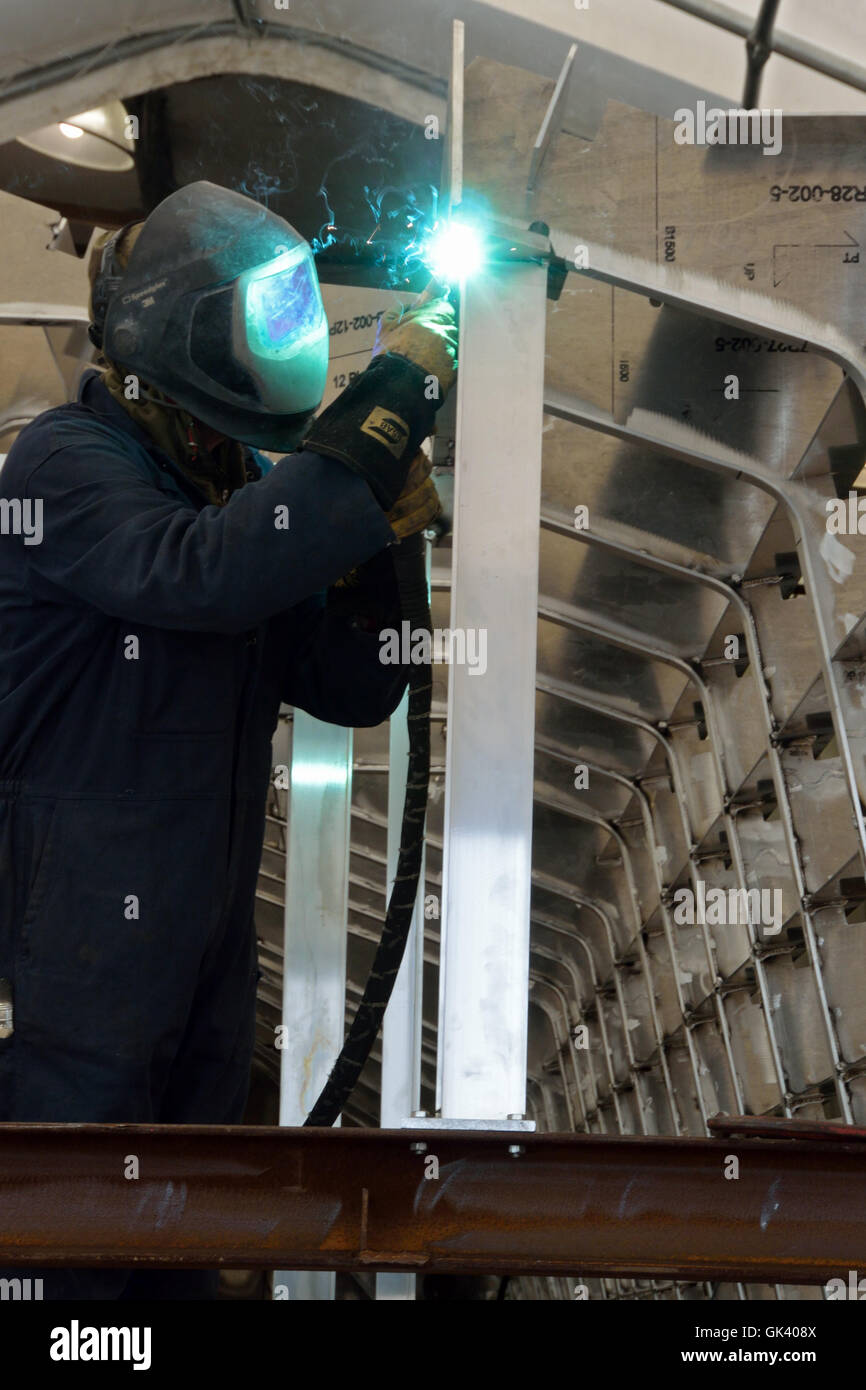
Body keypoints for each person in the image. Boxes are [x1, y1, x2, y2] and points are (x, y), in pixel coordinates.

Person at [0, 180, 457, 1299]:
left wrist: (377, 549)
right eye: (218, 427)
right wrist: (387, 398)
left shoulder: (230, 498)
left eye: (248, 438)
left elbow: (356, 687)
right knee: (74, 1249)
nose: (232, 449)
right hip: (67, 951)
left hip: (199, 952)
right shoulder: (63, 466)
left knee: (175, 1242)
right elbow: (204, 574)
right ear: (158, 384)